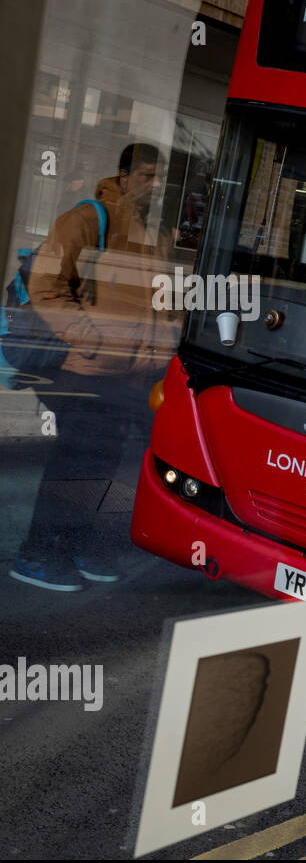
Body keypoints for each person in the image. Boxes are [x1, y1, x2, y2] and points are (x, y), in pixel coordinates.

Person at [10, 143, 173, 592]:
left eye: (161, 178)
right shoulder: (86, 219)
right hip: (85, 371)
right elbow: (45, 285)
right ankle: (38, 555)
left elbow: (162, 304)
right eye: (145, 175)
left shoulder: (157, 235)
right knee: (76, 463)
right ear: (122, 176)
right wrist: (91, 338)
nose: (155, 185)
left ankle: (79, 545)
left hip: (133, 376)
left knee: (108, 466)